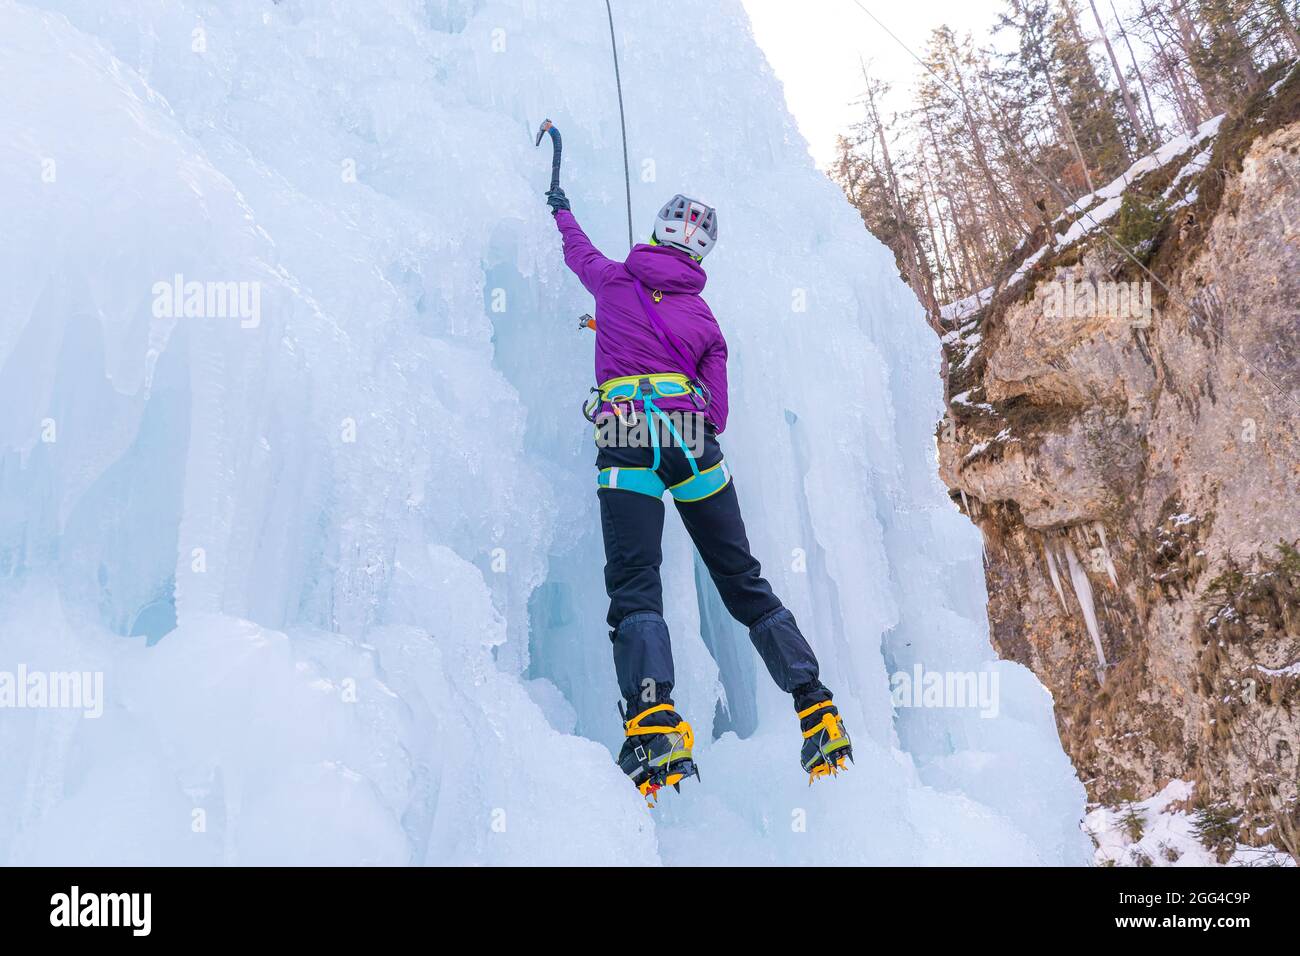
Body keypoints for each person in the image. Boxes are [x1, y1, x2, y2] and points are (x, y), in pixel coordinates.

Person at [546, 186, 851, 802]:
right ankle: (815, 707)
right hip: (689, 439)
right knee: (741, 578)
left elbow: (575, 250)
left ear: (658, 232)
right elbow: (720, 413)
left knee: (635, 582)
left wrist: (561, 206)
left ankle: (655, 721)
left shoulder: (610, 282)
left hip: (625, 428)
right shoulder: (705, 321)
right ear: (704, 254)